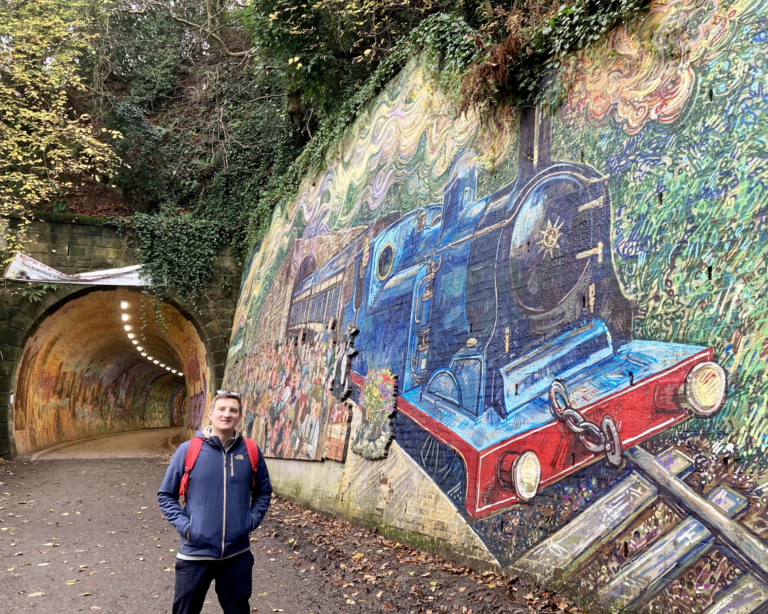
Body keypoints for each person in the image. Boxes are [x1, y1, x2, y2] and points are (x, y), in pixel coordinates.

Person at [158, 391, 272, 614]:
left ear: (239, 416)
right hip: (194, 552)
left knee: (238, 610)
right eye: (221, 409)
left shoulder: (250, 451)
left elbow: (263, 492)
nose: (226, 414)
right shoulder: (188, 450)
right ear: (210, 414)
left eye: (233, 410)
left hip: (236, 554)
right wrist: (188, 529)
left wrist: (250, 521)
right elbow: (166, 496)